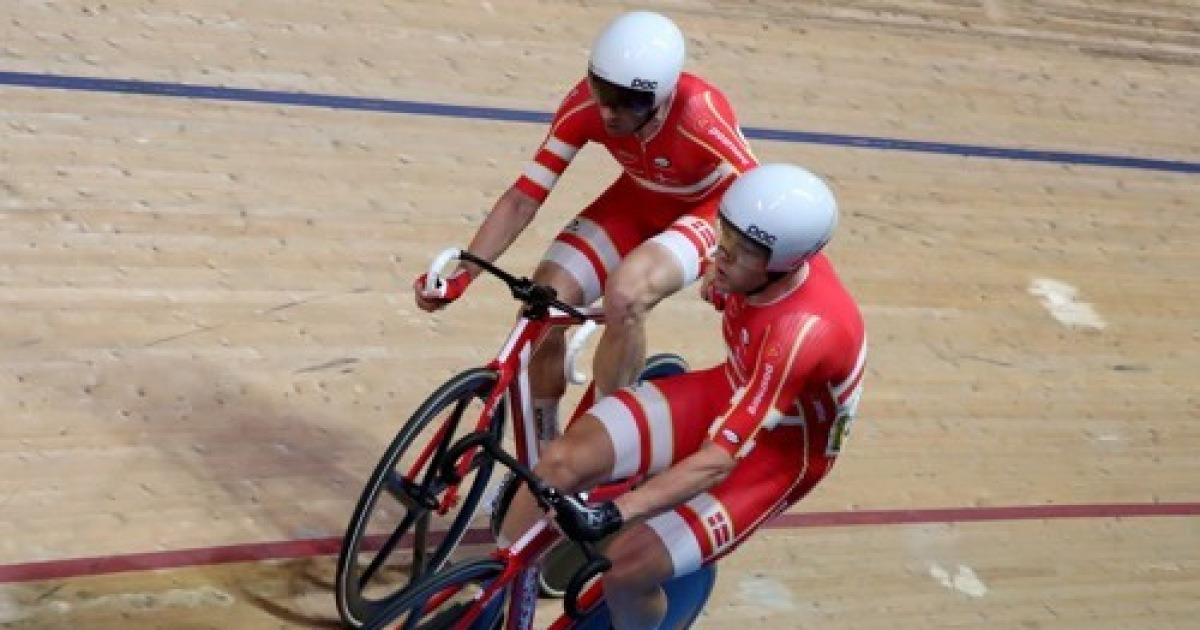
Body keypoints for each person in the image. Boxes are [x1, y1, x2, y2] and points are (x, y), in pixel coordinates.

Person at [500, 163, 868, 629]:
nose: (723, 255)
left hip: (778, 453)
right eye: (725, 237)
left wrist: (616, 512)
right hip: (735, 387)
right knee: (557, 464)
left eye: (741, 253)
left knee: (627, 568)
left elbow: (720, 459)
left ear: (783, 266)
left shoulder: (803, 333)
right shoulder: (750, 262)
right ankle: (502, 589)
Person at [413, 10, 759, 443]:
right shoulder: (584, 105)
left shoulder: (699, 112)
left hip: (707, 208)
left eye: (627, 102)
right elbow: (523, 197)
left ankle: (609, 448)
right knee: (543, 304)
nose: (610, 112)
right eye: (603, 92)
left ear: (662, 97)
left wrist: (726, 269)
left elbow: (757, 193)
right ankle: (541, 453)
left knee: (627, 295)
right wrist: (465, 273)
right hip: (635, 201)